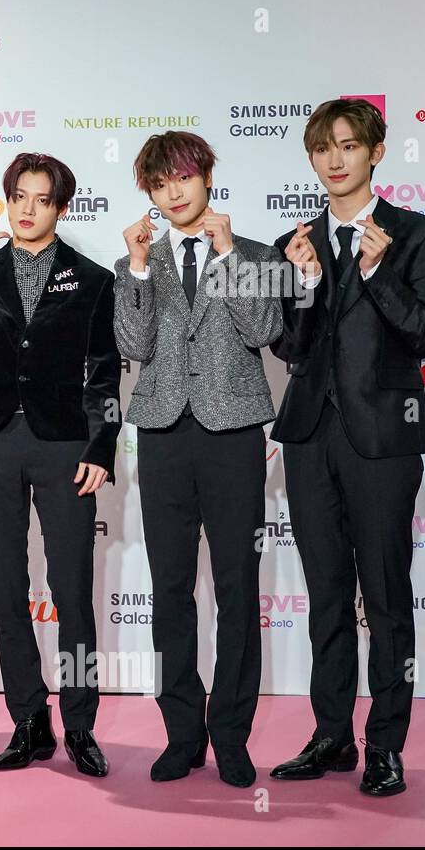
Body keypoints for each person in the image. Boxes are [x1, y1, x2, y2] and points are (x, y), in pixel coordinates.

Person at [268, 99, 425, 797]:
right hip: (312, 438)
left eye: (350, 145)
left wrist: (378, 278)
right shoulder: (299, 240)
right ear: (313, 159)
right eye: (324, 149)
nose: (336, 159)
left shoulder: (422, 236)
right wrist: (310, 285)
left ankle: (387, 747)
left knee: (386, 600)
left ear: (377, 151)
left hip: (383, 440)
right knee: (325, 597)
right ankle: (331, 737)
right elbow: (287, 345)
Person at [0, 152, 119, 776]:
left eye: (41, 199)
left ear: (62, 207)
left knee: (72, 591)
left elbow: (106, 368)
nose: (28, 210)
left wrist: (102, 445)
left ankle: (81, 724)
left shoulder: (92, 278)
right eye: (19, 197)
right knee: (6, 585)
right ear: (6, 200)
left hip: (64, 446)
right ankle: (29, 721)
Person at [114, 131, 282, 787]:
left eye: (183, 177)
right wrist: (133, 271)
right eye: (160, 184)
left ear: (206, 177)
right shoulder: (142, 259)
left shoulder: (254, 253)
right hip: (162, 436)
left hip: (233, 434)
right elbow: (133, 344)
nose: (173, 191)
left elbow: (262, 330)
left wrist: (229, 255)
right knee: (170, 592)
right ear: (151, 194)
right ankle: (182, 734)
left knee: (239, 590)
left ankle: (232, 737)